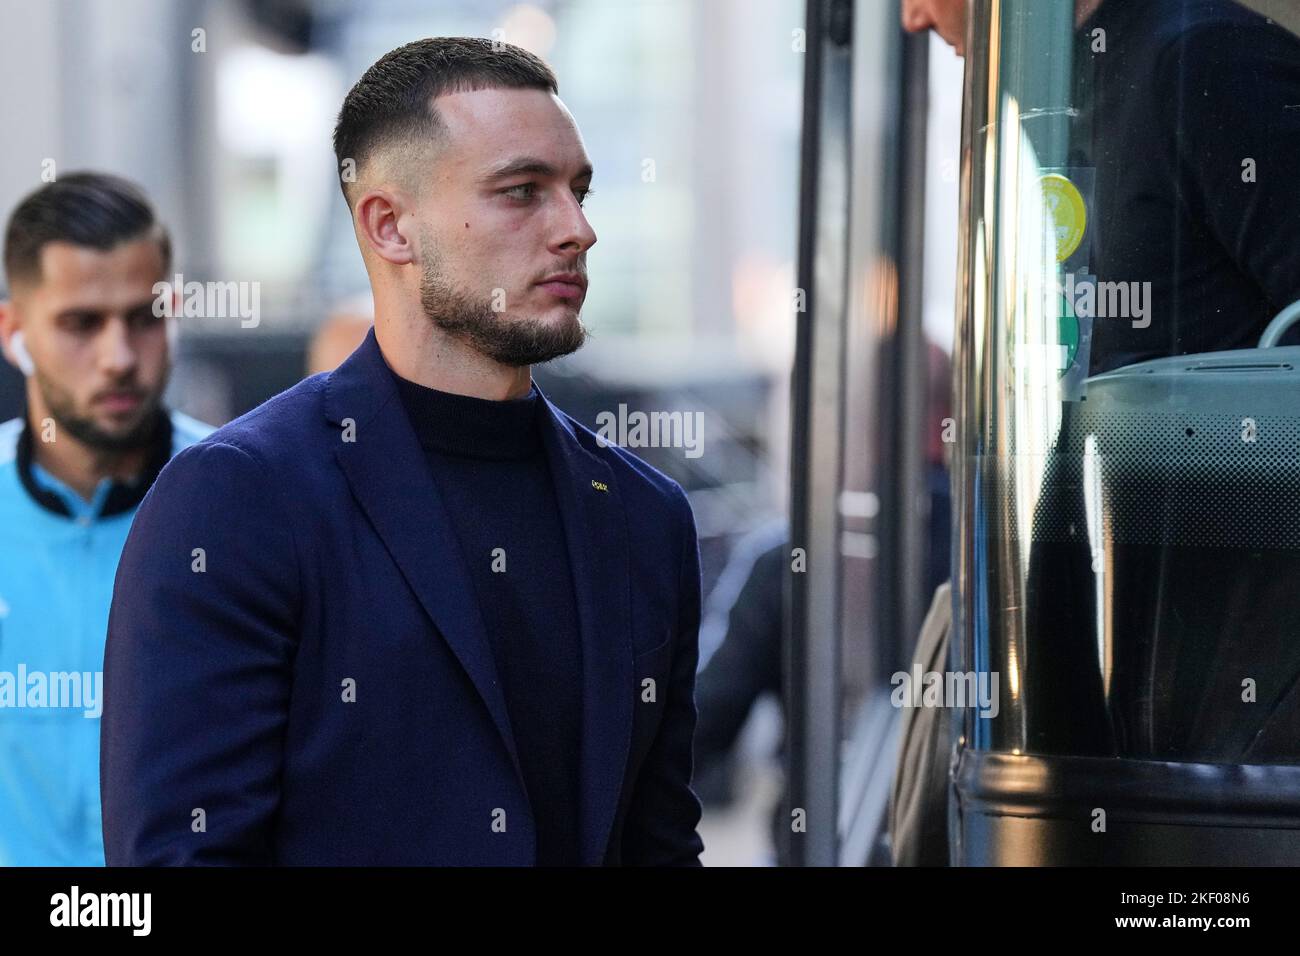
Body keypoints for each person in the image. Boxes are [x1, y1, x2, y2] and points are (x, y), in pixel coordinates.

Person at [101, 37, 706, 866]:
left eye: (579, 190)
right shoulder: (240, 498)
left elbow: (658, 843)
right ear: (390, 226)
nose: (578, 230)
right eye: (522, 191)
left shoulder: (645, 516)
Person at [0, 173, 211, 865]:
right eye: (81, 323)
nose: (120, 358)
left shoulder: (246, 502)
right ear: (14, 331)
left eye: (144, 318)